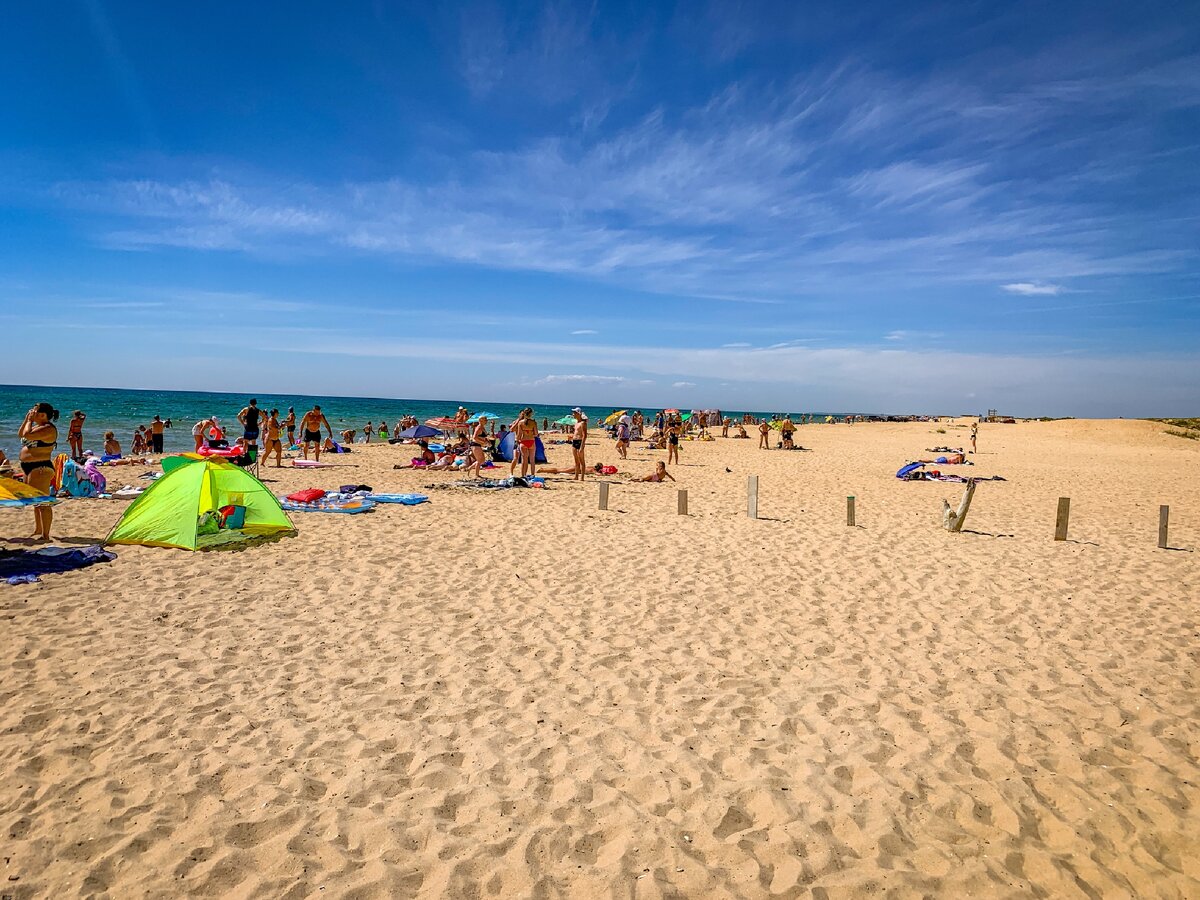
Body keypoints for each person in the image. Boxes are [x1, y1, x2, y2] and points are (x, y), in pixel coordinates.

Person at [18, 402, 59, 541]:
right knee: (36, 501)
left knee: (43, 502)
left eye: (34, 411)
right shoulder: (37, 427)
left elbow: (27, 435)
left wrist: (29, 421)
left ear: (43, 415)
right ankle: (38, 529)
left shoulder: (48, 429)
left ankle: (46, 535)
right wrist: (26, 420)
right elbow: (21, 434)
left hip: (40, 466)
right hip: (29, 466)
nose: (32, 412)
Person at [515, 408, 539, 478]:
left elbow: (518, 435)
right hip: (531, 441)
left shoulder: (520, 423)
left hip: (523, 442)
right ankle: (532, 475)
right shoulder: (533, 422)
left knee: (524, 460)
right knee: (532, 460)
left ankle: (523, 475)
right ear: (531, 414)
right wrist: (531, 433)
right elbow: (536, 434)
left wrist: (517, 442)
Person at [570, 408, 588, 479]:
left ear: (578, 414)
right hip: (574, 441)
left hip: (580, 442)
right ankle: (576, 476)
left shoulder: (583, 423)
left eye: (574, 413)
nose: (573, 414)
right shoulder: (576, 423)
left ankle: (582, 477)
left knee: (582, 461)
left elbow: (585, 435)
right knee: (576, 461)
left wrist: (582, 445)